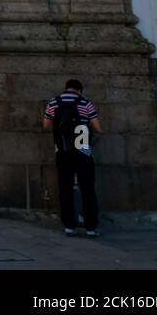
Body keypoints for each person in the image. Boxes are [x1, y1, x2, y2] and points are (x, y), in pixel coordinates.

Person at [43, 77, 102, 236]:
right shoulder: (86, 103)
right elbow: (98, 127)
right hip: (82, 149)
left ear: (66, 88)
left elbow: (46, 125)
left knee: (65, 187)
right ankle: (91, 227)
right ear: (80, 90)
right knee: (87, 188)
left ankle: (69, 226)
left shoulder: (53, 103)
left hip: (63, 150)